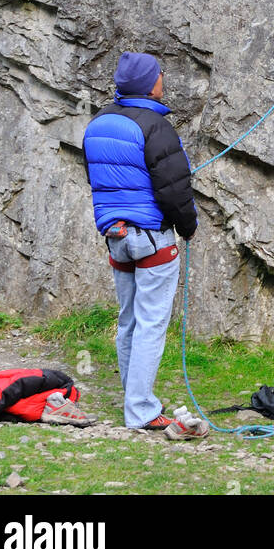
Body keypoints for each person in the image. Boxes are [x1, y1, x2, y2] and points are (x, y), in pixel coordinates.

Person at [82, 51, 200, 434]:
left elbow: (98, 178)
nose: (162, 79)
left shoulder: (98, 122)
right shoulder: (156, 126)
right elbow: (174, 189)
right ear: (151, 84)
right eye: (159, 75)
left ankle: (135, 400)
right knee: (150, 323)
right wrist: (188, 227)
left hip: (115, 236)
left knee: (128, 320)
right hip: (153, 238)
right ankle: (142, 411)